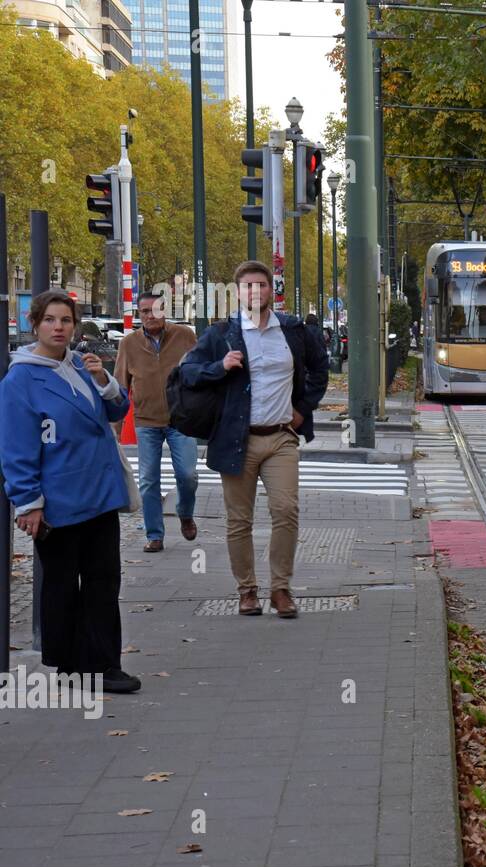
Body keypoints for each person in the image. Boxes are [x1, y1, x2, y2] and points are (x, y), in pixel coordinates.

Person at [0, 290, 141, 693]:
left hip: (100, 491)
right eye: (50, 320)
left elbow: (116, 411)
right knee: (62, 584)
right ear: (36, 324)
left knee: (103, 581)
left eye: (66, 320)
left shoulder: (81, 364)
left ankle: (103, 663)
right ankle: (71, 664)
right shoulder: (21, 378)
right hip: (59, 498)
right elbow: (15, 445)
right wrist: (27, 501)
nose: (59, 327)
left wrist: (103, 379)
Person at [179, 261, 328, 618]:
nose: (255, 292)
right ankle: (247, 590)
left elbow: (320, 369)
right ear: (237, 291)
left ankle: (281, 589)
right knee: (239, 520)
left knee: (286, 510)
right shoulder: (221, 334)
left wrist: (302, 410)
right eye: (247, 286)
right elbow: (187, 372)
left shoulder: (292, 330)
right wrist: (220, 366)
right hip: (237, 440)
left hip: (280, 437)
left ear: (270, 289)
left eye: (261, 285)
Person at [113, 288, 199, 552]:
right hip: (146, 420)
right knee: (148, 480)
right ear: (139, 315)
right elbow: (118, 387)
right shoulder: (128, 344)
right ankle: (154, 534)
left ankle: (185, 512)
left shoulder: (185, 336)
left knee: (188, 475)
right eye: (145, 312)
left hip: (181, 419)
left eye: (155, 310)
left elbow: (201, 372)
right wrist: (114, 429)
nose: (150, 316)